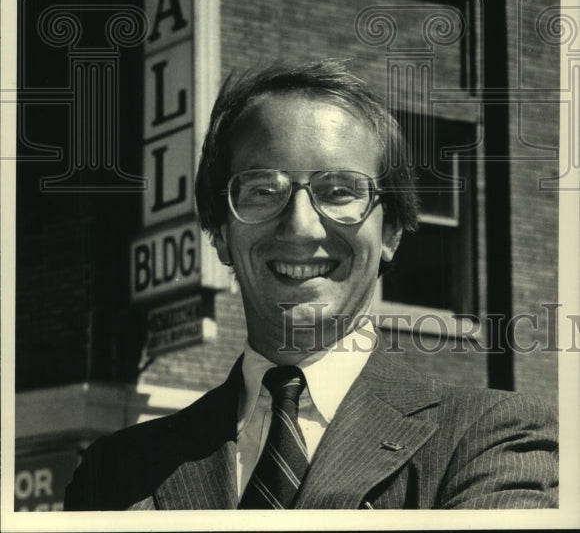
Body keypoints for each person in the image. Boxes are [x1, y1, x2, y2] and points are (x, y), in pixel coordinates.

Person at [64, 59, 558, 510]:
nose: (301, 227)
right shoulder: (114, 476)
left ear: (390, 232)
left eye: (339, 191)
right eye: (262, 191)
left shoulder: (493, 439)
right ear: (218, 234)